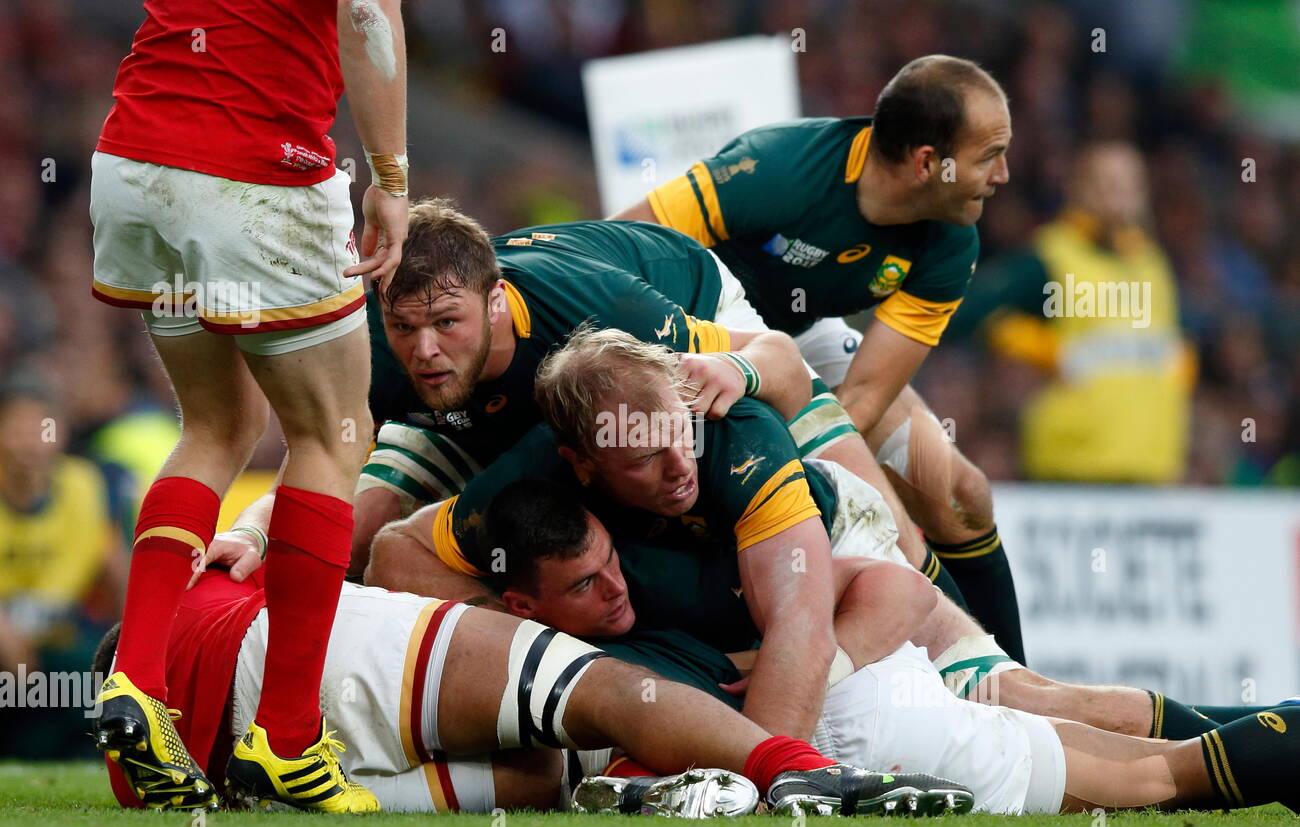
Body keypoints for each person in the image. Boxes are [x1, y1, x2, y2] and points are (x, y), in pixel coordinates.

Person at [371, 327, 1274, 743]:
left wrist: (759, 771)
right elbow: (394, 558)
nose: (679, 468)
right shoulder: (532, 475)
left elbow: (806, 622)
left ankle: (1255, 737)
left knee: (1013, 700)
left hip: (841, 544)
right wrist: (530, 626)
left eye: (681, 436)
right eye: (644, 460)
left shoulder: (736, 439)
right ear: (579, 462)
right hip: (719, 600)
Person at [205, 200, 965, 608]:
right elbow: (322, 458)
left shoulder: (611, 316)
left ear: (495, 303)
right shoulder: (385, 346)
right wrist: (252, 530)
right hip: (479, 405)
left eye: (446, 323)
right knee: (358, 531)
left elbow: (784, 363)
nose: (425, 348)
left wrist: (741, 370)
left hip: (690, 301)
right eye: (407, 329)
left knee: (862, 504)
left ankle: (968, 647)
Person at [462, 478, 1300, 818]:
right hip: (863, 717)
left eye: (611, 563)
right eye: (586, 585)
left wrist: (804, 677)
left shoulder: (647, 594)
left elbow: (900, 588)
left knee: (1158, 778)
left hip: (862, 721)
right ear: (520, 602)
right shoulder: (572, 659)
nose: (616, 589)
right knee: (1144, 759)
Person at [88, 0, 410, 812]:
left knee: (219, 425)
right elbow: (367, 13)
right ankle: (287, 741)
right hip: (254, 164)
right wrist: (392, 180)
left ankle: (137, 681)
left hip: (134, 157)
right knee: (334, 434)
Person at [613, 54, 1027, 666]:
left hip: (802, 334)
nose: (1004, 175)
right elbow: (617, 250)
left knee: (961, 495)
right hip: (704, 326)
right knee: (888, 515)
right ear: (926, 164)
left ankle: (1016, 680)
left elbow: (863, 400)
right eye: (990, 155)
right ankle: (968, 668)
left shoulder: (952, 238)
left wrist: (827, 457)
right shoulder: (777, 168)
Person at [91, 566, 975, 819]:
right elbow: (313, 518)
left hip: (256, 780)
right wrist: (249, 532)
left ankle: (634, 789)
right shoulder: (192, 594)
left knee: (534, 780)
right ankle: (798, 770)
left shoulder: (131, 777)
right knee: (600, 690)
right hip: (296, 656)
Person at [952, 141, 1193, 483]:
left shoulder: (1152, 264)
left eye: (1130, 184)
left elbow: (1172, 350)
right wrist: (1033, 347)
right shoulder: (1051, 258)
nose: (1120, 194)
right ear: (1079, 188)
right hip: (1071, 469)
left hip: (1152, 467)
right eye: (1106, 183)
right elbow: (964, 311)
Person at [0, 376, 126, 757]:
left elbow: (113, 565)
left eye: (41, 428)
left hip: (60, 641)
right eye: (17, 428)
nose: (30, 442)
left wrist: (132, 651)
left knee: (100, 689)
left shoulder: (83, 485)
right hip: (7, 647)